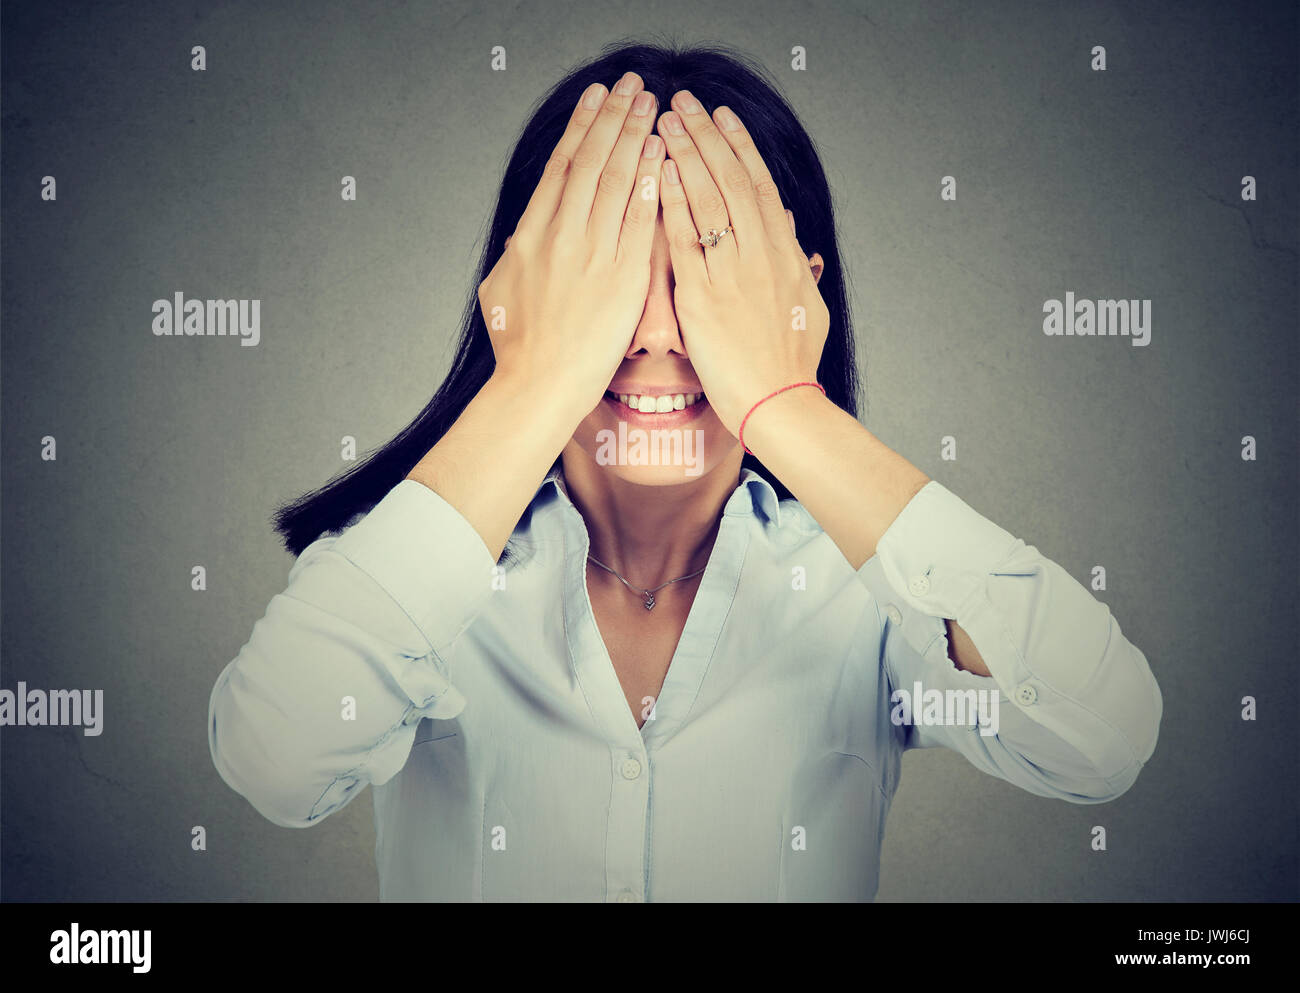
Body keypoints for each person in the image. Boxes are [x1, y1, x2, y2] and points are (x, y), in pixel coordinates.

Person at [207, 42, 1162, 902]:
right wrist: (532, 381)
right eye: (610, 281)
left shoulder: (870, 596)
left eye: (708, 278)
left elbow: (1103, 734)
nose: (658, 334)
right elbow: (275, 758)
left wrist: (785, 400)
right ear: (520, 292)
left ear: (795, 297)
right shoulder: (412, 575)